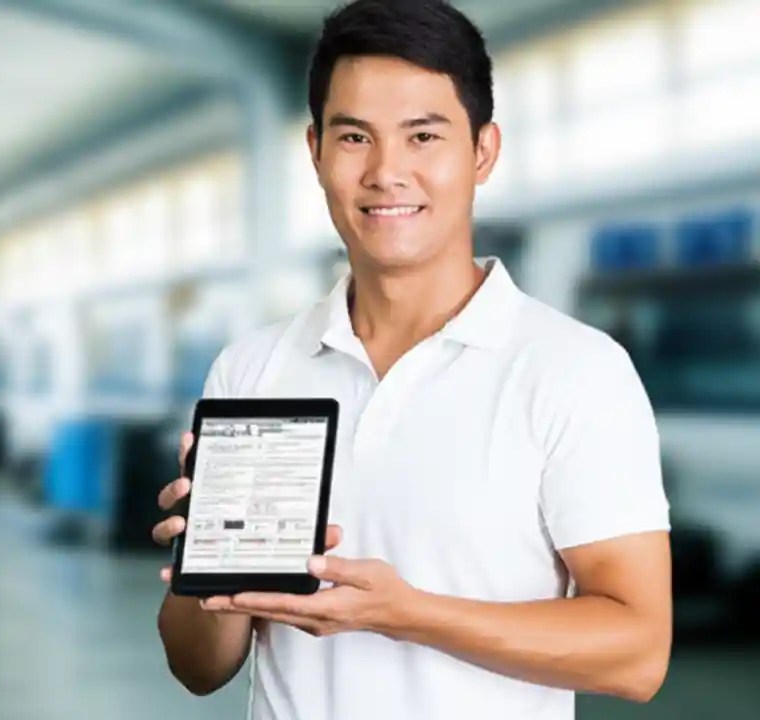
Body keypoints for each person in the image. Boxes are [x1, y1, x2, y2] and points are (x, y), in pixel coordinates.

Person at [151, 2, 672, 719]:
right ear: (315, 152)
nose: (387, 172)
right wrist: (207, 568)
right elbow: (198, 669)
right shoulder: (251, 371)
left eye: (423, 136)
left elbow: (638, 652)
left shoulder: (575, 371)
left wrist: (404, 612)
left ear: (483, 151)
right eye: (355, 137)